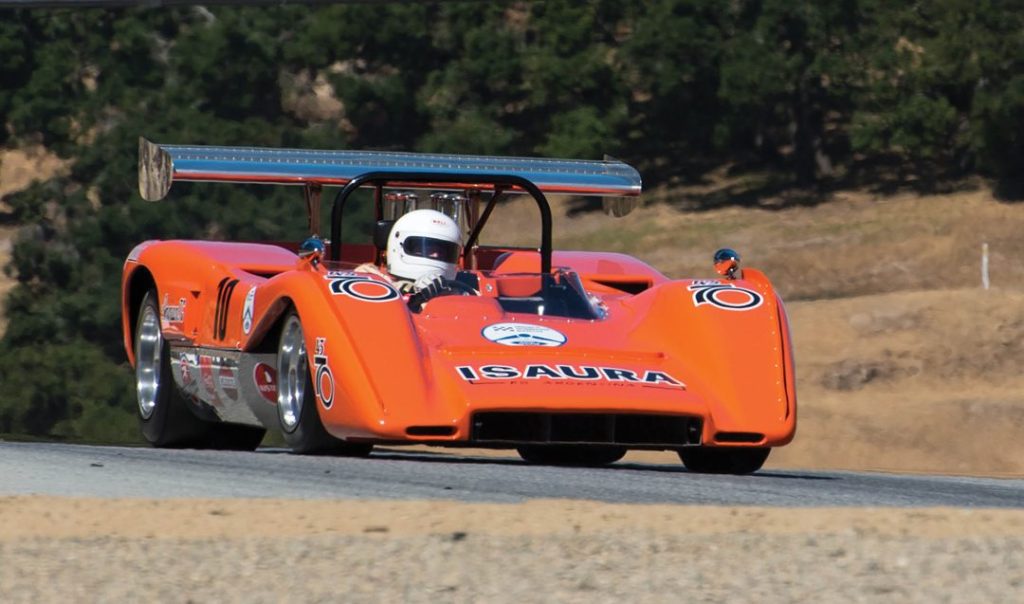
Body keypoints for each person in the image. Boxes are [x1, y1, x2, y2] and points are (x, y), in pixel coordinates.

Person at [356, 209, 462, 296]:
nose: (436, 255)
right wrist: (407, 293)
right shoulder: (369, 279)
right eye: (425, 248)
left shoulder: (459, 291)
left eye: (442, 251)